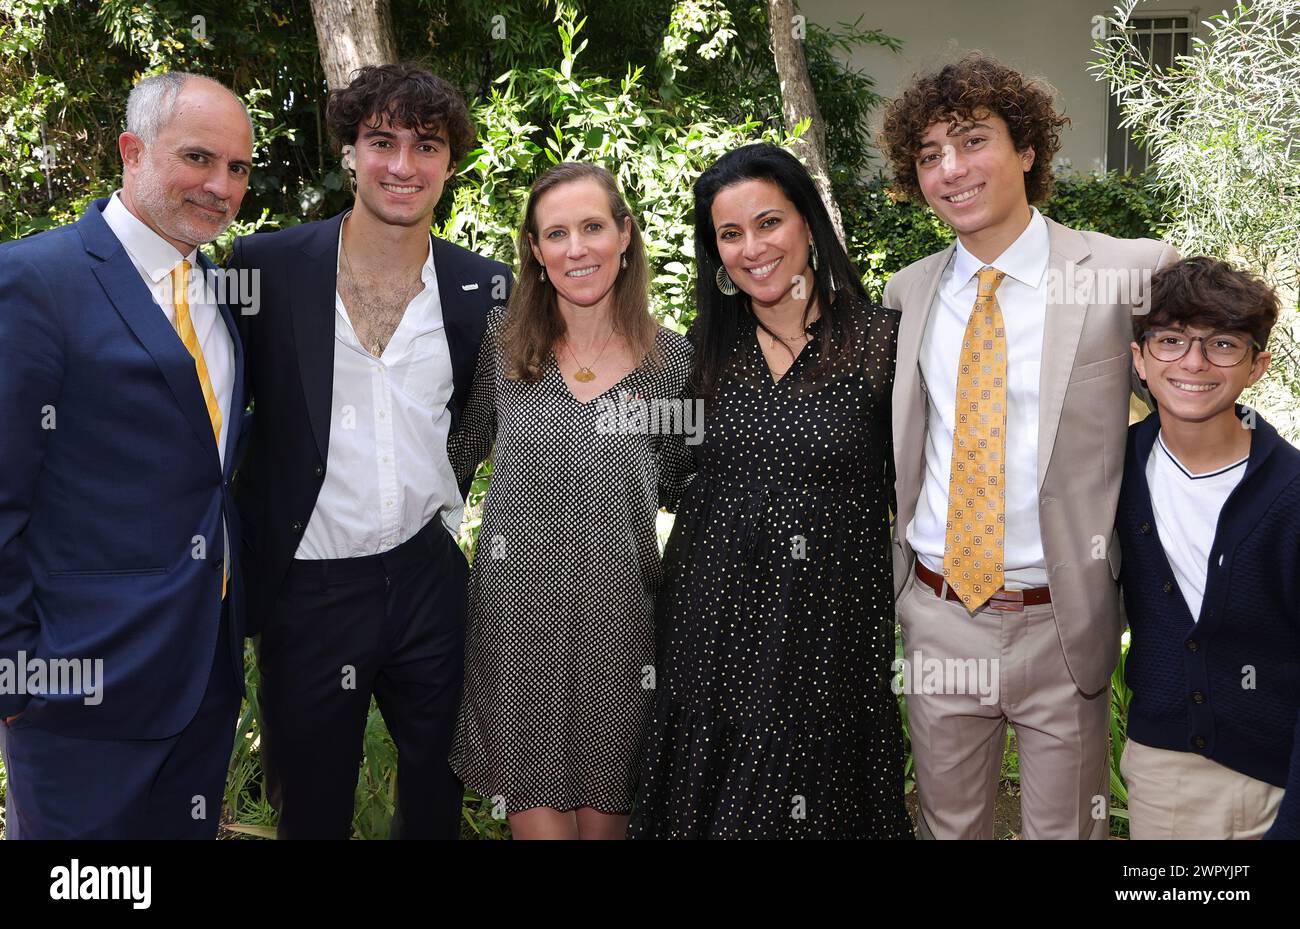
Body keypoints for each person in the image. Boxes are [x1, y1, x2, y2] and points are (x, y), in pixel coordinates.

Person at [879, 53, 1180, 839]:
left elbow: (1200, 394)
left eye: (973, 141)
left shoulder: (1124, 272)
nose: (951, 169)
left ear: (1026, 150)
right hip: (940, 613)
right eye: (929, 155)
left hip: (1063, 619)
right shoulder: (907, 293)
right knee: (950, 827)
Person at [228, 63, 511, 839]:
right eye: (381, 140)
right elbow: (214, 410)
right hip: (309, 591)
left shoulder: (483, 288)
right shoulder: (267, 267)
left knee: (434, 807)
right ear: (350, 150)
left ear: (451, 163)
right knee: (310, 811)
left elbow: (489, 417)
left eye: (427, 145)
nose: (403, 165)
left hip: (429, 579)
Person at [629, 143, 911, 839]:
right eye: (730, 234)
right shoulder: (699, 351)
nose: (752, 248)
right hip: (711, 633)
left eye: (768, 222)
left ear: (808, 224)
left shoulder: (885, 343)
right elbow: (663, 474)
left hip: (830, 636)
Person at [0, 72, 252, 838]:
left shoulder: (219, 287)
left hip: (202, 675)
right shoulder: (34, 280)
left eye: (238, 168)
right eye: (199, 158)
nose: (221, 186)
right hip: (77, 683)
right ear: (132, 151)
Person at [447, 162, 693, 840]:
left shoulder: (672, 363)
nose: (576, 248)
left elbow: (687, 486)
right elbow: (452, 465)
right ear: (534, 249)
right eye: (556, 233)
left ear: (625, 234)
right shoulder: (503, 345)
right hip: (515, 627)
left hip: (622, 629)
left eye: (592, 227)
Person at [1118, 256, 1299, 840]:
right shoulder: (1109, 469)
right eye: (1170, 341)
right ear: (1139, 358)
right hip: (1167, 771)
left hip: (1274, 774)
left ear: (1257, 366)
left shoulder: (1289, 494)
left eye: (1223, 344)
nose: (1193, 362)